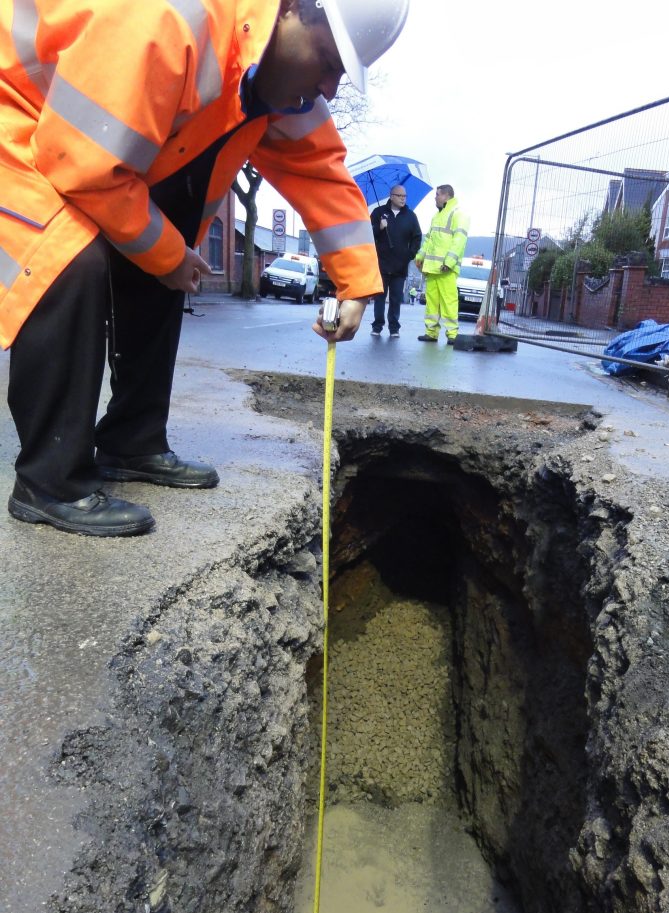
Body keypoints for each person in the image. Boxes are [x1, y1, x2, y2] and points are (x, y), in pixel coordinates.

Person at [0, 0, 408, 538]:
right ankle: (49, 481)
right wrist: (168, 254)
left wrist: (356, 284)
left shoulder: (281, 82)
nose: (330, 88)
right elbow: (82, 165)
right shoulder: (167, 21)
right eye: (330, 61)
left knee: (169, 230)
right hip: (24, 120)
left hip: (81, 146)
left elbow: (322, 172)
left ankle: (132, 441)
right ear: (291, 11)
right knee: (71, 259)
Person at [414, 185, 470, 344]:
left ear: (446, 196)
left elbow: (459, 241)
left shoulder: (458, 214)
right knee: (432, 302)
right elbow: (429, 241)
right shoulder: (437, 216)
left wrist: (449, 262)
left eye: (437, 195)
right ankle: (431, 332)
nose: (435, 198)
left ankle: (452, 334)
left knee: (448, 301)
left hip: (446, 269)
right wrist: (420, 256)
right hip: (432, 268)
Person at [369, 186, 422, 338]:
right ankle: (377, 325)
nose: (403, 198)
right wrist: (379, 227)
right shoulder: (379, 213)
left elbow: (417, 237)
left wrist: (409, 254)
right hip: (382, 263)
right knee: (379, 296)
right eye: (399, 195)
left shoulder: (411, 216)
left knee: (395, 298)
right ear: (391, 196)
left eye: (404, 196)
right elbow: (368, 234)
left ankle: (394, 328)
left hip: (400, 265)